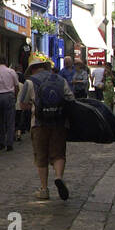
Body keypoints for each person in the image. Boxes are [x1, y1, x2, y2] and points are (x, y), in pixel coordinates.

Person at [18, 51, 74, 200]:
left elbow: (22, 105)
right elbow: (70, 99)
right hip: (59, 122)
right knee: (59, 153)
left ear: (32, 69)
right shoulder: (60, 80)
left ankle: (44, 189)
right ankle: (59, 176)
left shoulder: (30, 82)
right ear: (46, 66)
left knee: (41, 156)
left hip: (39, 124)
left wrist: (35, 106)